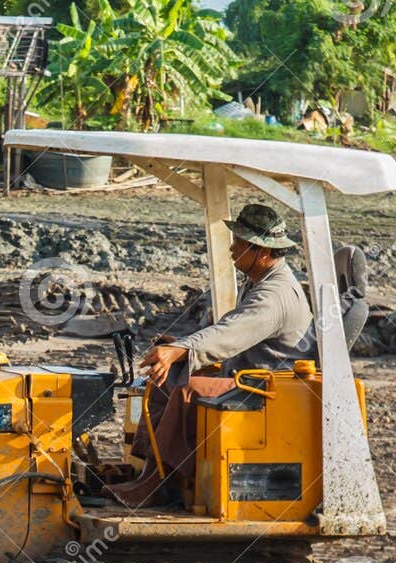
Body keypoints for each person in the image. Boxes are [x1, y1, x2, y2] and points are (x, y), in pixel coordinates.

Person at [110, 203, 313, 508]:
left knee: (187, 389)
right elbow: (233, 335)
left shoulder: (273, 296)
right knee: (168, 380)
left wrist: (181, 350)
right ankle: (147, 473)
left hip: (269, 391)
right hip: (252, 380)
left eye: (239, 243)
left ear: (260, 251)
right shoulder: (265, 281)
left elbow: (229, 333)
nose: (232, 249)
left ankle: (156, 485)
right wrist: (180, 347)